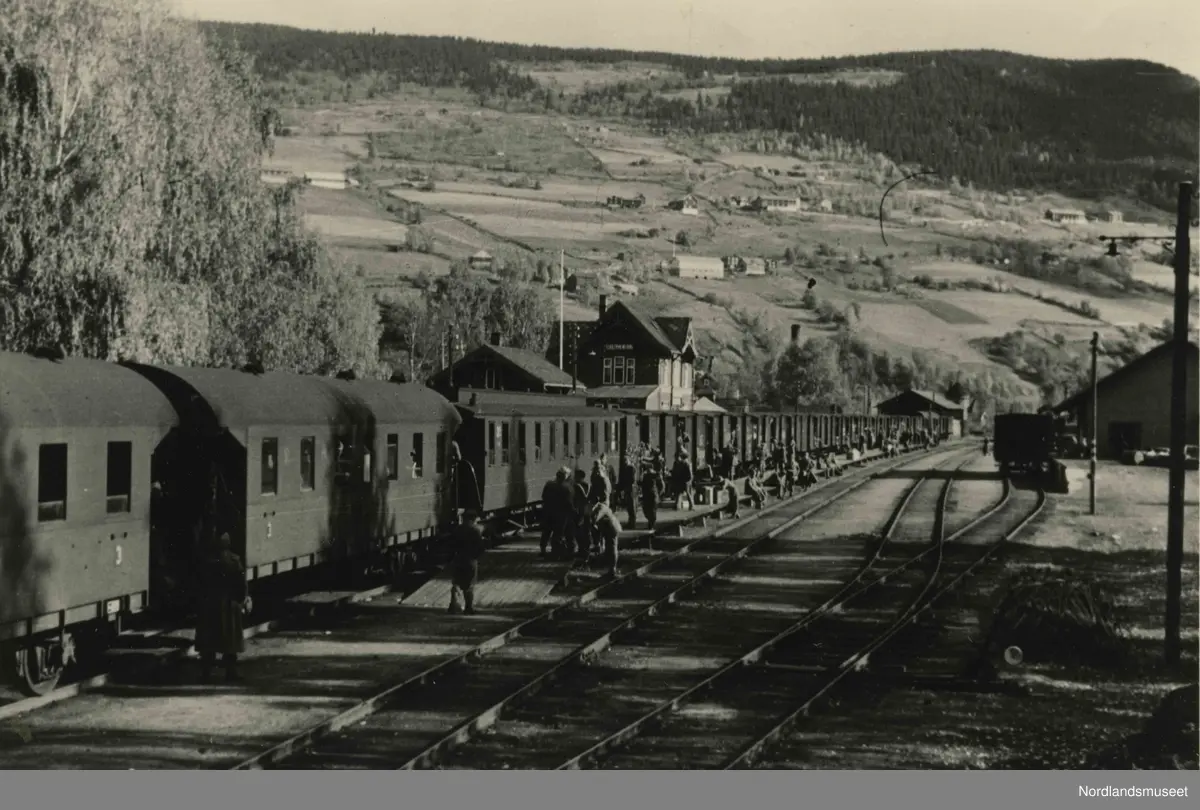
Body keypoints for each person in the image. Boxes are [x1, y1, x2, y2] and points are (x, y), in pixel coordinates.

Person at [195, 532, 249, 683]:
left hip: (209, 605)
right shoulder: (234, 560)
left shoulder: (206, 561)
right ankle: (230, 672)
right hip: (229, 605)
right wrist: (241, 600)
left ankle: (206, 673)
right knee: (230, 641)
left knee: (208, 641)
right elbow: (241, 584)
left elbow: (199, 583)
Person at [448, 510, 486, 615]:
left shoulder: (457, 529)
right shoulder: (475, 530)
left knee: (456, 582)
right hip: (470, 560)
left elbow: (451, 545)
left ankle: (453, 605)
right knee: (469, 584)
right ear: (473, 519)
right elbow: (481, 547)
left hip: (458, 559)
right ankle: (468, 608)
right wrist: (476, 557)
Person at [589, 502, 622, 578]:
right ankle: (610, 570)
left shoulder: (601, 508)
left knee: (612, 549)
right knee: (608, 549)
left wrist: (591, 521)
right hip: (606, 530)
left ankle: (613, 570)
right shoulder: (596, 508)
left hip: (612, 529)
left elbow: (595, 519)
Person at [617, 453, 638, 529]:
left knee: (631, 507)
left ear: (629, 460)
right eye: (624, 460)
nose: (624, 462)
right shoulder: (627, 468)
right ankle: (631, 522)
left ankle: (632, 524)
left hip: (631, 490)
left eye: (626, 460)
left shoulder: (631, 468)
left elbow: (632, 480)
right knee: (629, 507)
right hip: (628, 489)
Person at [639, 467, 661, 532]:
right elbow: (641, 483)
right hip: (647, 496)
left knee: (652, 511)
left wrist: (658, 494)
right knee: (647, 511)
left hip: (652, 497)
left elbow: (660, 483)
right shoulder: (646, 476)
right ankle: (651, 523)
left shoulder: (653, 476)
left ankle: (651, 525)